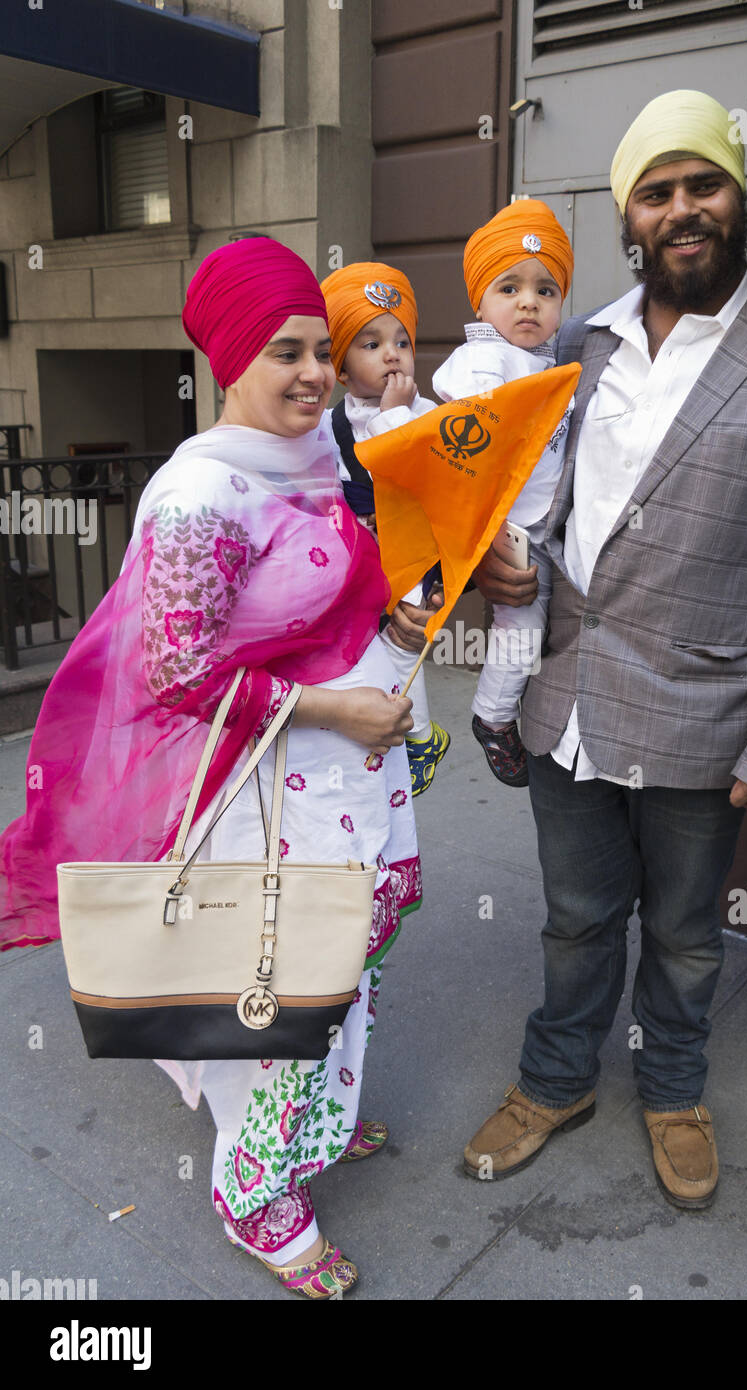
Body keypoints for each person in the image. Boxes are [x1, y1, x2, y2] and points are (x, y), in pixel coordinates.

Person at [465, 90, 747, 1208]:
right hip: (567, 700)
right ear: (627, 218)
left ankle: (674, 1088)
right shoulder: (569, 346)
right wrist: (491, 568)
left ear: (742, 200)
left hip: (708, 716)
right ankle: (557, 1079)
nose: (682, 209)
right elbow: (509, 499)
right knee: (574, 917)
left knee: (688, 936)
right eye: (657, 192)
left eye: (704, 185)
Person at [0, 237, 421, 1298]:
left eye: (324, 350)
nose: (317, 374)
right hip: (272, 796)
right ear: (232, 357)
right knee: (289, 995)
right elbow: (180, 677)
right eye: (287, 352)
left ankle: (316, 1119)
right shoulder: (202, 498)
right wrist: (338, 705)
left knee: (340, 973)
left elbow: (331, 598)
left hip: (349, 778)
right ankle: (255, 1194)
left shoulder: (315, 457)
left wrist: (396, 618)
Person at [432, 201, 574, 787]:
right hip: (507, 528)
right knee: (523, 632)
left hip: (546, 524)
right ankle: (492, 718)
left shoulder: (551, 362)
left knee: (536, 629)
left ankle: (500, 712)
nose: (528, 301)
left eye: (546, 290)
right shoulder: (485, 360)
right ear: (480, 302)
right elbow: (469, 433)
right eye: (509, 286)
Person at [319, 261, 449, 796]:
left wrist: (396, 416)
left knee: (403, 644)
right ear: (343, 370)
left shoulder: (428, 413)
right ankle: (390, 734)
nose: (391, 353)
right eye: (370, 344)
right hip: (364, 562)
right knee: (366, 655)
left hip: (416, 551)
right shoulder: (332, 425)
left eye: (401, 341)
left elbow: (428, 480)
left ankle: (421, 736)